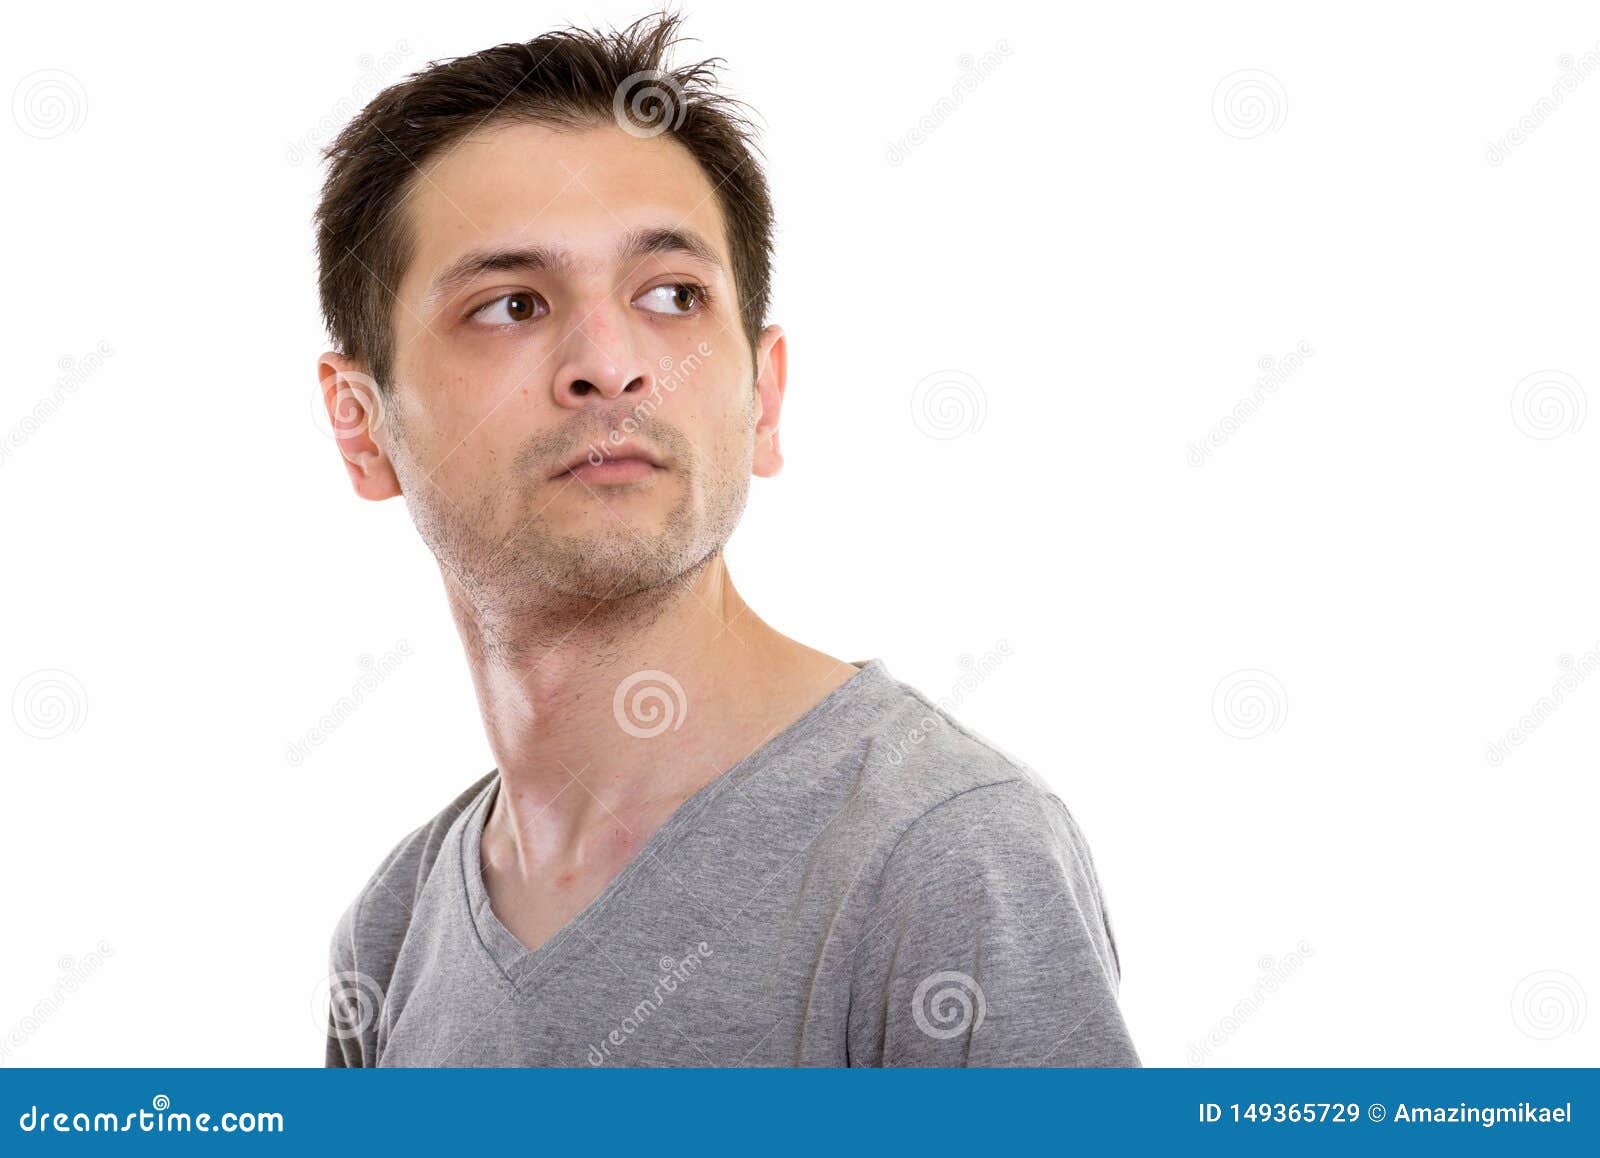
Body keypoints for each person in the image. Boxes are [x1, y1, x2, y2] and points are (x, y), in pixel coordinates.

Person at [314, 12, 1139, 1067]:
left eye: (671, 296)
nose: (607, 363)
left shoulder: (942, 855)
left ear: (764, 398)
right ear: (362, 424)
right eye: (511, 304)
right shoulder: (390, 935)